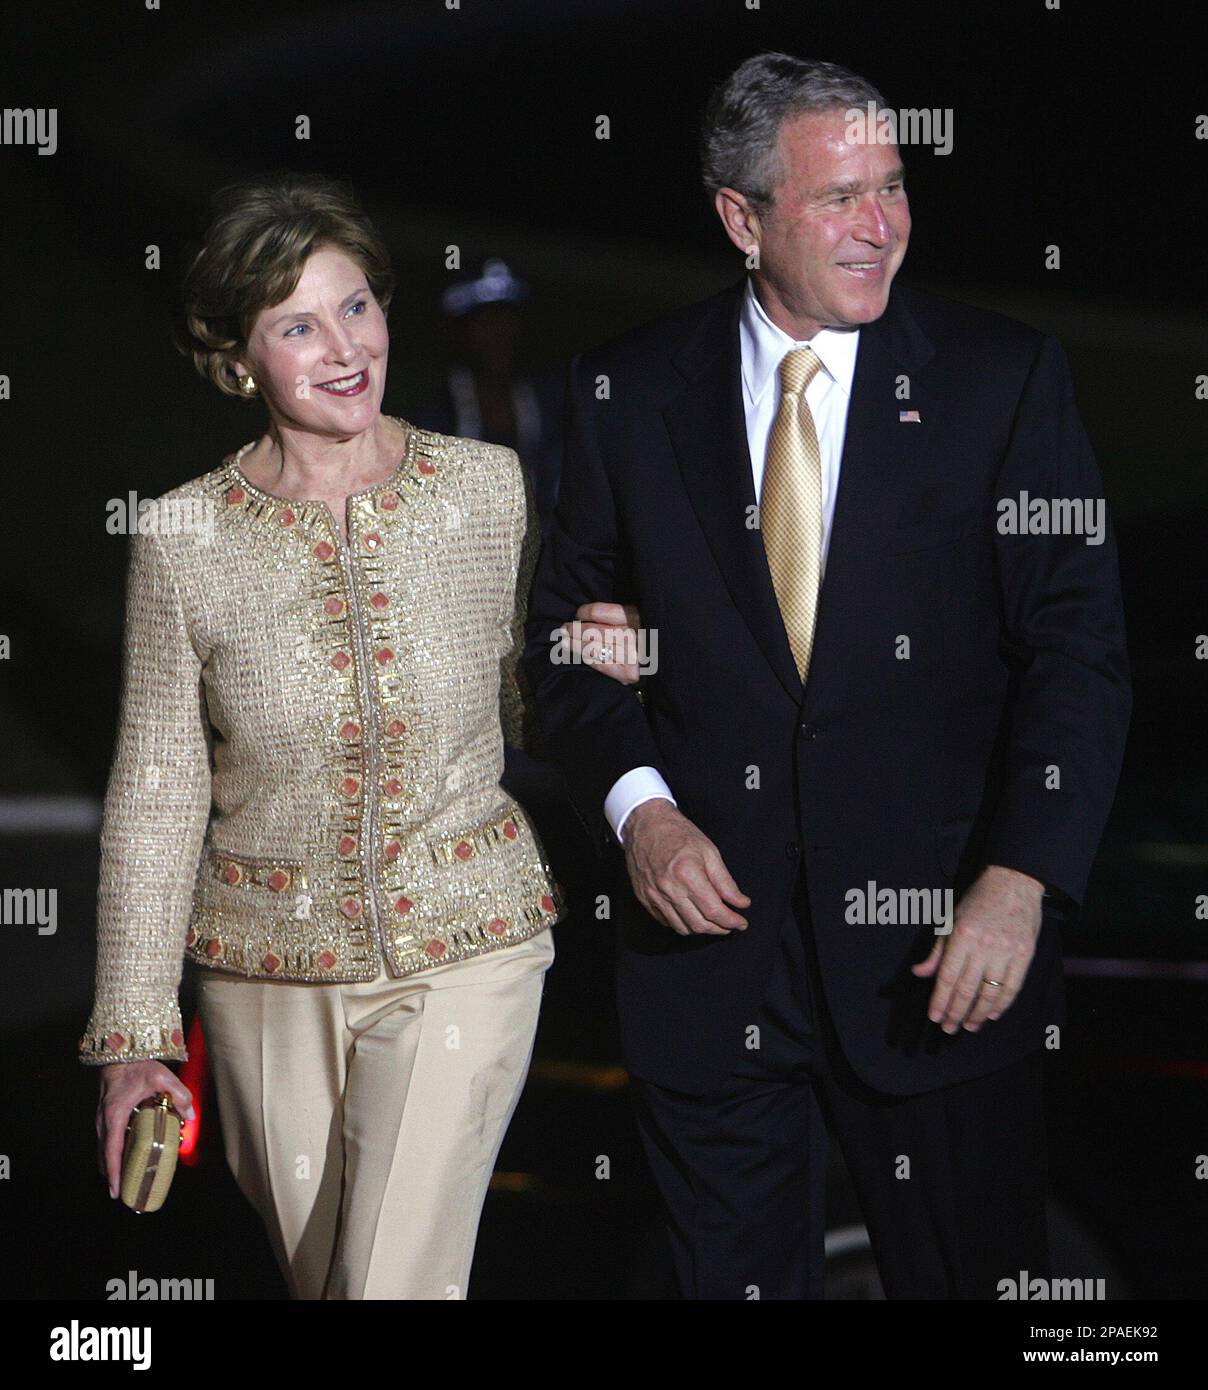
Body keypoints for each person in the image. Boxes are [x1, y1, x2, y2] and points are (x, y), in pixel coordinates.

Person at [523, 53, 1131, 1299]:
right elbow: (561, 651)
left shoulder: (1001, 381)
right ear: (739, 218)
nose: (881, 226)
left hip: (941, 966)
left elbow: (1077, 654)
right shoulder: (628, 395)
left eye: (893, 187)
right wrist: (640, 813)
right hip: (712, 976)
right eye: (839, 198)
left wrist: (1019, 883)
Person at [78, 173, 627, 1300]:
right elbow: (158, 784)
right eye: (296, 325)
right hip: (259, 970)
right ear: (238, 359)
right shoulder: (183, 535)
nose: (343, 348)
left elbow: (526, 701)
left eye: (357, 307)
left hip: (466, 943)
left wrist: (612, 653)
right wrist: (133, 1033)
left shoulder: (484, 490)